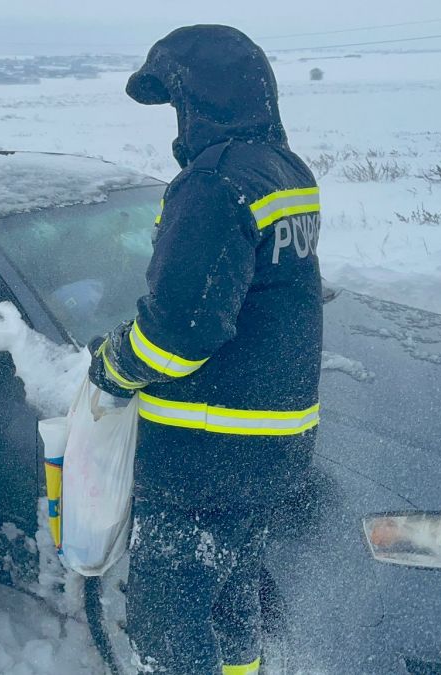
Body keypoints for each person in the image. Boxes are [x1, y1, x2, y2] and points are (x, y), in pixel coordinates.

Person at [88, 25, 323, 675]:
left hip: (204, 455)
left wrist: (114, 364)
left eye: (176, 101)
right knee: (230, 600)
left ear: (202, 101)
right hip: (271, 446)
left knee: (164, 619)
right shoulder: (283, 170)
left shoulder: (213, 182)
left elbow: (181, 330)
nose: (176, 119)